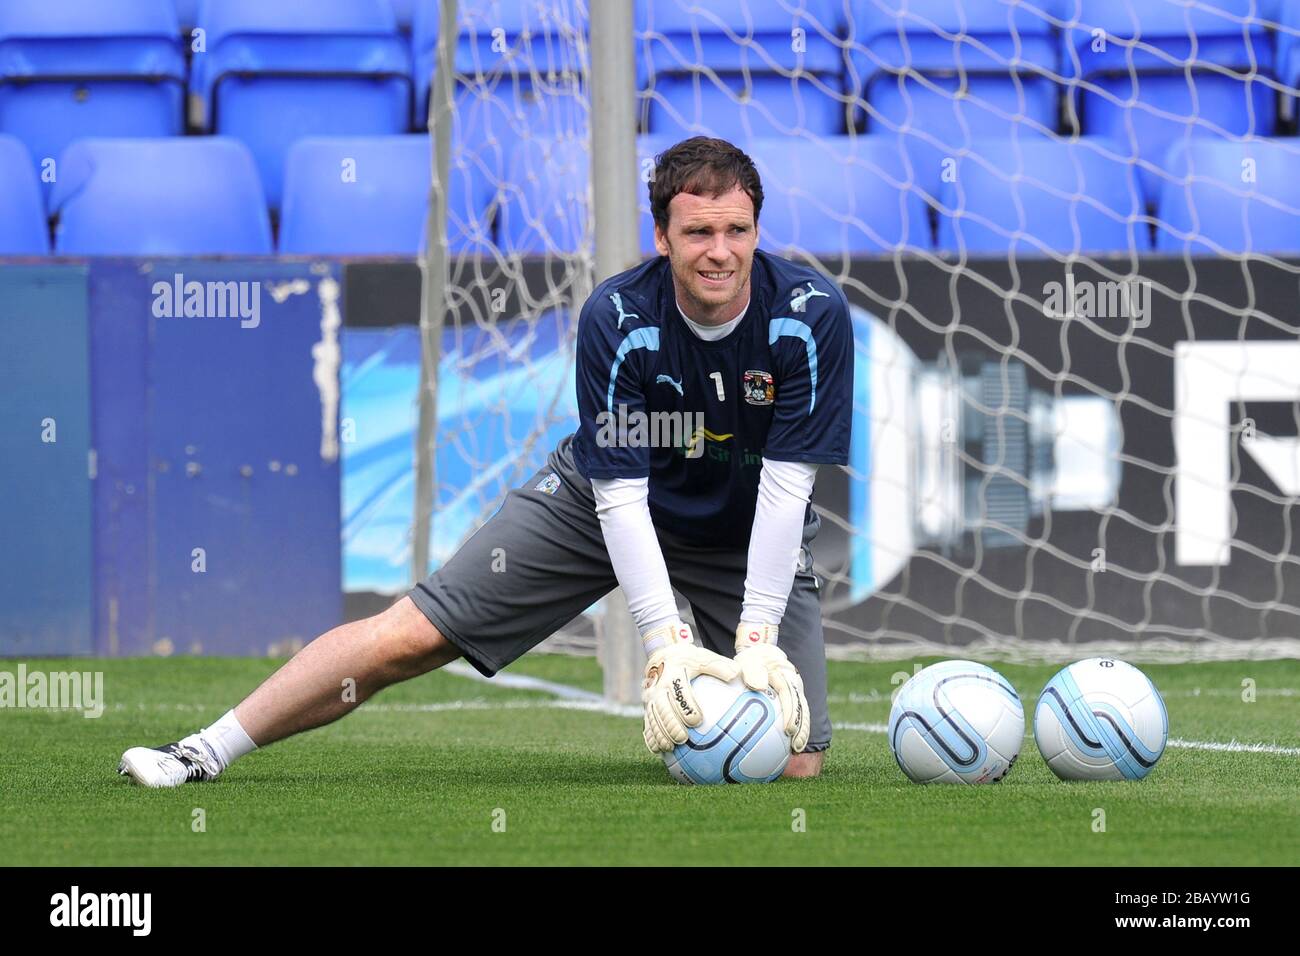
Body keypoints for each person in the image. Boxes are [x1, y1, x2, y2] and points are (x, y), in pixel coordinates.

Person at [117, 136, 853, 787]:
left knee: (792, 756)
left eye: (737, 230)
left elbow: (788, 491)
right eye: (698, 232)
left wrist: (756, 638)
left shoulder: (809, 316)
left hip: (743, 530)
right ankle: (201, 752)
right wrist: (665, 647)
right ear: (661, 237)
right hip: (598, 508)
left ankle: (725, 713)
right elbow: (620, 497)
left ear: (757, 230)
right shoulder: (621, 318)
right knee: (408, 636)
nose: (719, 251)